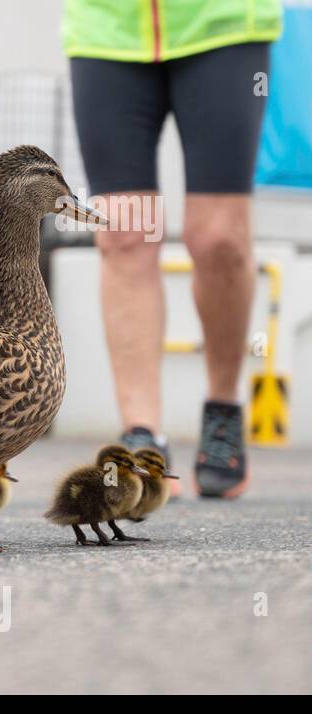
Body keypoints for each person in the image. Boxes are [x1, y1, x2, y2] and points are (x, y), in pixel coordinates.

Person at [64, 0, 283, 498]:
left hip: (224, 26)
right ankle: (143, 433)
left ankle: (223, 408)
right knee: (124, 234)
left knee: (219, 238)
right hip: (107, 29)